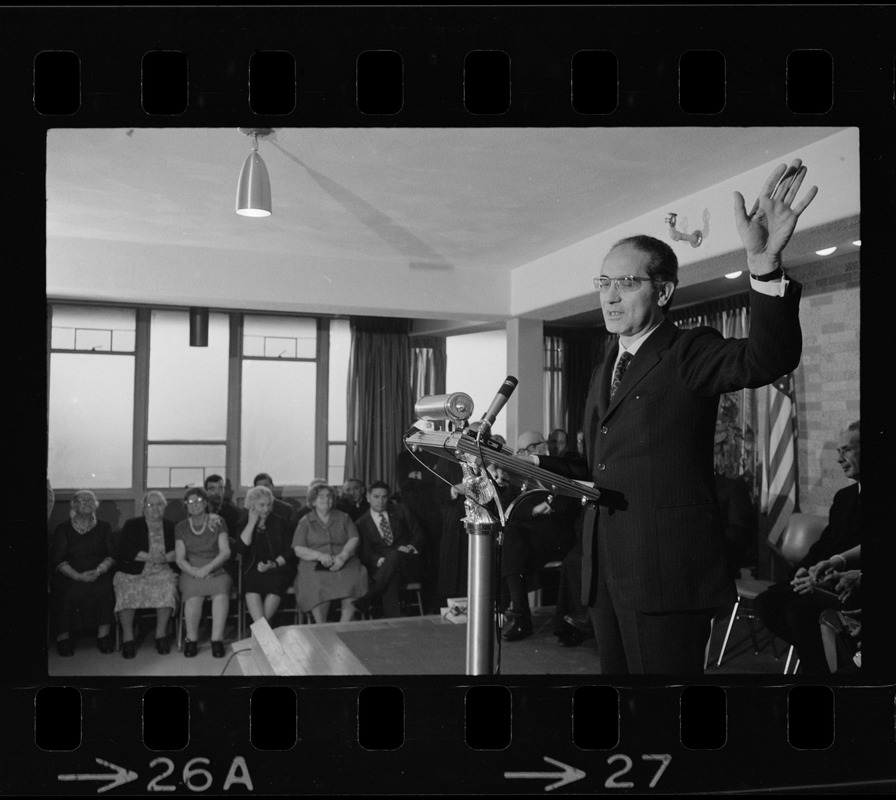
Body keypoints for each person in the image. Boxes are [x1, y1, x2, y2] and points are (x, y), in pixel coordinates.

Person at [532, 159, 817, 674]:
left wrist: (764, 265)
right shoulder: (605, 366)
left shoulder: (688, 351)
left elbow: (765, 359)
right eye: (603, 282)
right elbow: (604, 467)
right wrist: (519, 464)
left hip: (665, 574)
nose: (610, 295)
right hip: (605, 570)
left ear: (662, 291)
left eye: (626, 282)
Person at [754, 422, 862, 674]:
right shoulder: (844, 498)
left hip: (853, 586)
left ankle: (825, 673)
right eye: (837, 451)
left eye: (846, 450)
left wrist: (821, 578)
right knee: (766, 604)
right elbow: (826, 545)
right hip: (825, 579)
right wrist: (805, 571)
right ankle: (823, 665)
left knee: (797, 613)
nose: (839, 459)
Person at [113, 490, 179, 658]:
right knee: (124, 583)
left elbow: (179, 549)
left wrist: (172, 555)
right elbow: (124, 550)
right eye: (150, 505)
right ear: (143, 508)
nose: (155, 508)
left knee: (167, 583)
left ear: (164, 507)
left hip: (162, 569)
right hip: (136, 569)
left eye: (159, 504)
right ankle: (128, 637)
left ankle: (160, 635)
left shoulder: (171, 526)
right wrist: (150, 557)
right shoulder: (132, 524)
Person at [51, 489, 116, 657]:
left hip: (98, 572)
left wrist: (99, 570)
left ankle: (103, 637)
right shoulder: (63, 528)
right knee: (67, 593)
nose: (87, 503)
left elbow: (111, 555)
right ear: (74, 505)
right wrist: (76, 576)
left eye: (90, 500)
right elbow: (57, 559)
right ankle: (63, 638)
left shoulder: (104, 527)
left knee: (105, 590)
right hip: (70, 573)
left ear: (95, 505)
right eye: (82, 500)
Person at [292, 483, 364, 624]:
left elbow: (354, 539)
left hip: (344, 559)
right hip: (314, 562)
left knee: (355, 577)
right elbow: (298, 548)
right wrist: (319, 556)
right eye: (321, 496)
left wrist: (343, 556)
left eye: (329, 496)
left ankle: (344, 625)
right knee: (316, 583)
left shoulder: (344, 517)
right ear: (313, 501)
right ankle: (322, 626)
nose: (326, 499)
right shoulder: (305, 521)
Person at [353, 481, 425, 618]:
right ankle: (394, 619)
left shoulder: (401, 510)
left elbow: (419, 534)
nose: (380, 501)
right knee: (391, 572)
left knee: (396, 556)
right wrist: (380, 561)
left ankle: (369, 597)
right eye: (376, 496)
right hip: (383, 568)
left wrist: (410, 547)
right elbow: (365, 552)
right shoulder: (361, 523)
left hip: (408, 564)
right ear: (368, 497)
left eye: (384, 497)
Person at [174, 487, 232, 658]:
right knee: (193, 596)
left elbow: (225, 551)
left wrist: (208, 568)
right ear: (186, 506)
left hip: (216, 567)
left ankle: (217, 640)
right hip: (191, 569)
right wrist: (193, 571)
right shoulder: (181, 527)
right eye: (190, 502)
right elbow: (179, 558)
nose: (194, 505)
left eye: (198, 501)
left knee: (221, 593)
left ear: (206, 503)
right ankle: (191, 639)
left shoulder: (218, 522)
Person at [233, 484, 296, 625]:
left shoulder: (280, 522)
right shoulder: (243, 522)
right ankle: (262, 633)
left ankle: (259, 633)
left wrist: (274, 564)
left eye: (269, 505)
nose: (266, 509)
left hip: (278, 566)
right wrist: (252, 523)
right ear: (251, 506)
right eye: (262, 505)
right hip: (252, 568)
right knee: (250, 584)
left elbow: (289, 551)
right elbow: (241, 549)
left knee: (277, 583)